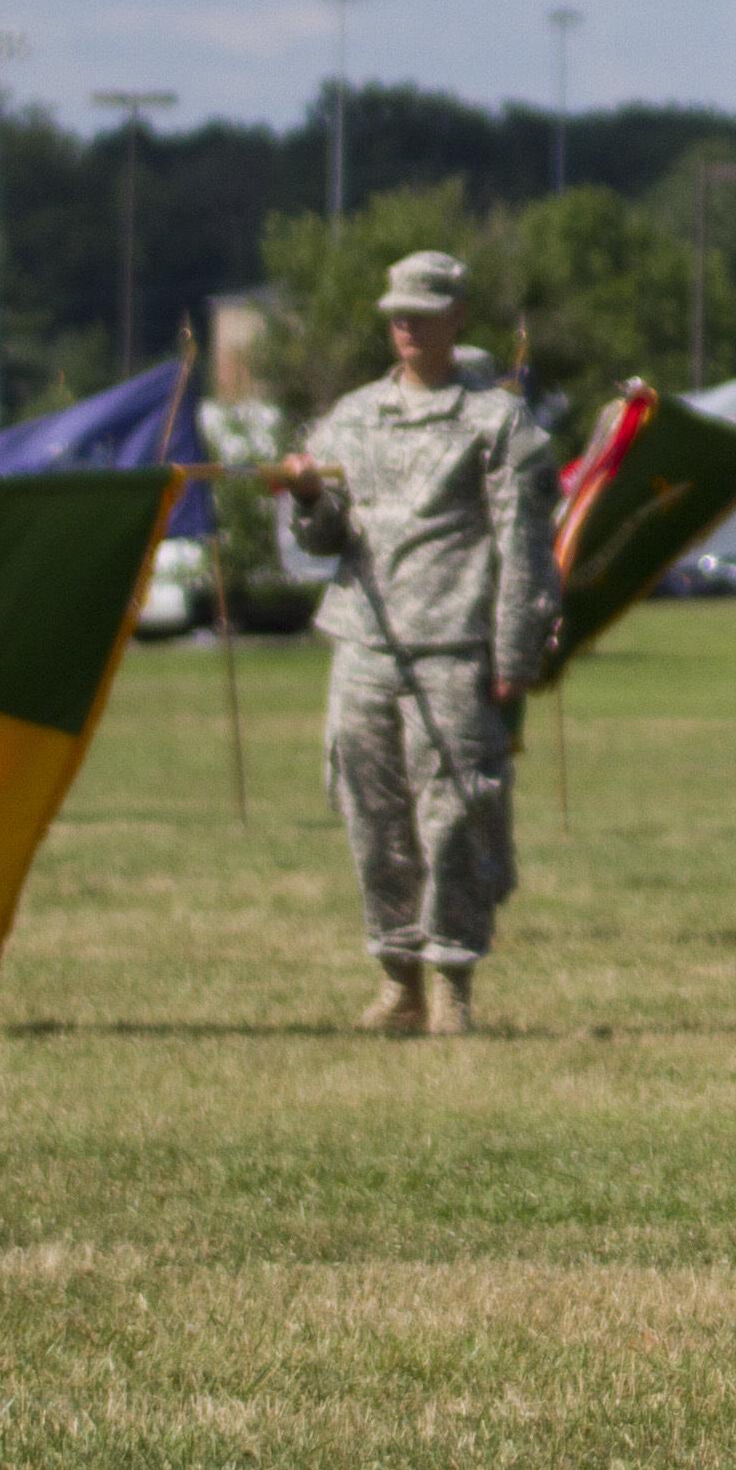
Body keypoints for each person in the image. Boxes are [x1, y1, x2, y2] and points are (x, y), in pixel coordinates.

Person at [266, 251, 559, 1040]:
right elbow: (326, 538)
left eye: (422, 313)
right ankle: (397, 977)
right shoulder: (354, 415)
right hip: (365, 644)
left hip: (454, 645)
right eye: (396, 313)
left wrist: (515, 653)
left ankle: (452, 978)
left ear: (455, 317)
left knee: (455, 818)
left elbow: (524, 548)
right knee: (374, 820)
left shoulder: (496, 422)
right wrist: (308, 497)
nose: (406, 325)